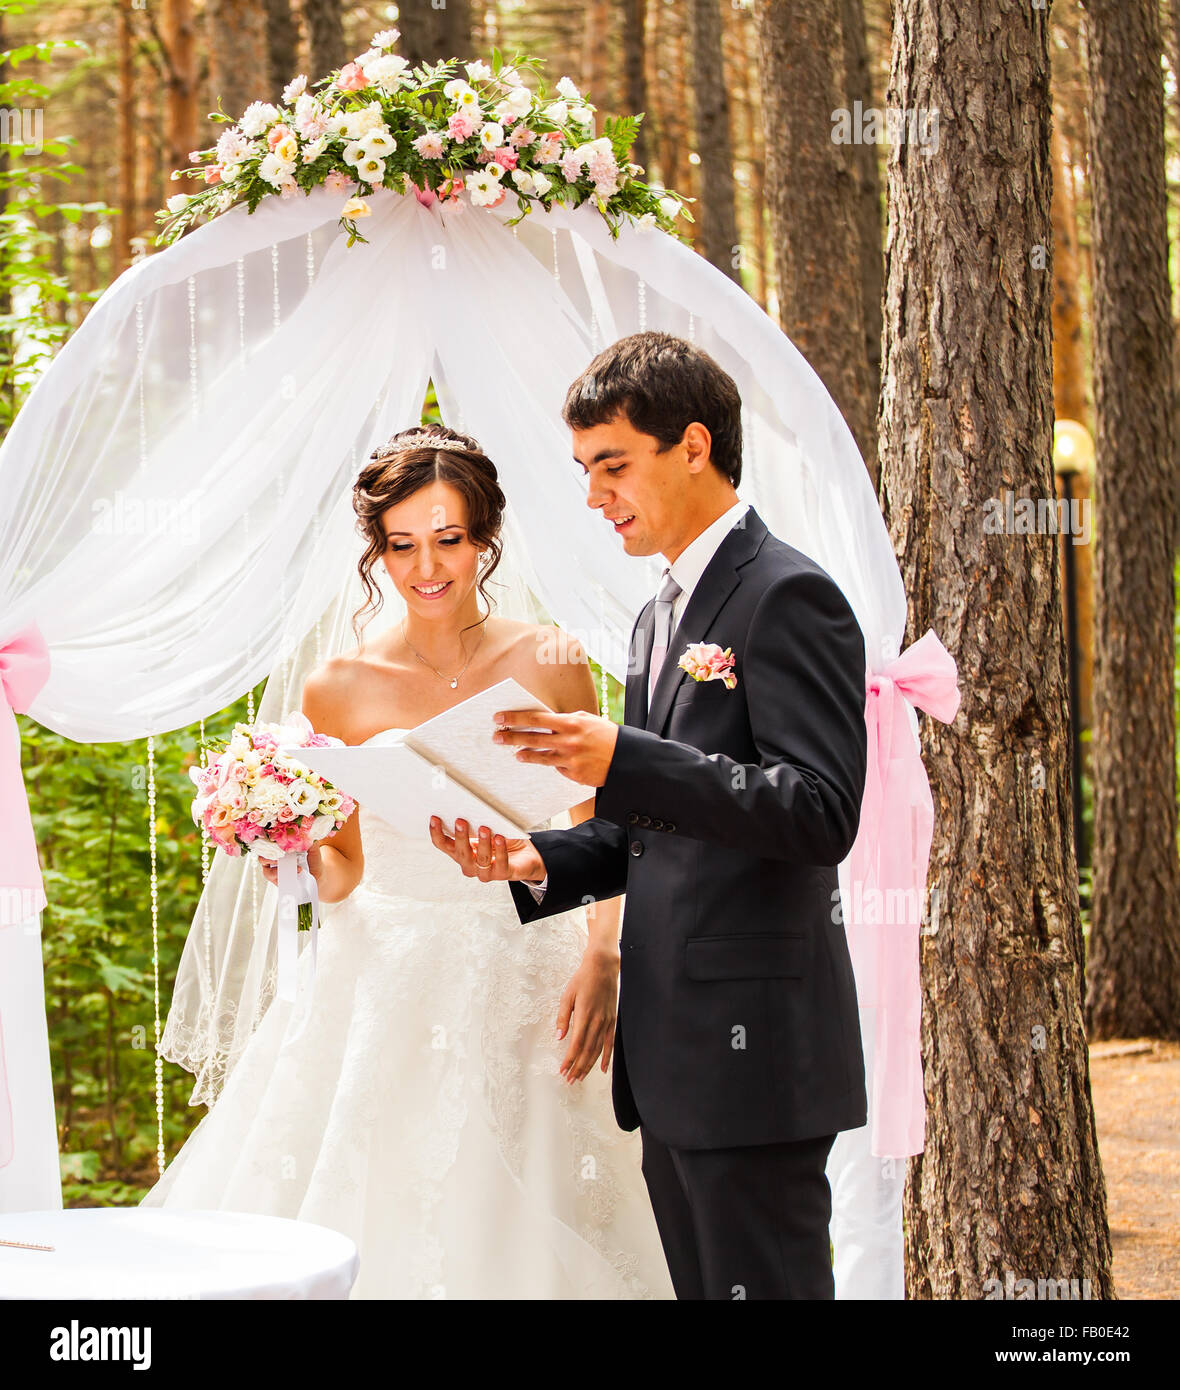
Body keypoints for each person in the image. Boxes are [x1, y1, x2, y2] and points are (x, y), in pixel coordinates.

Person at [140, 423, 674, 1300]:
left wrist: (604, 954)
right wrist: (293, 855)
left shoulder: (550, 659)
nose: (427, 567)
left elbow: (608, 831)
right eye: (401, 545)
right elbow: (346, 870)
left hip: (533, 963)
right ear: (376, 550)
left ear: (486, 540)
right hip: (381, 972)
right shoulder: (337, 686)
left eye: (449, 540)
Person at [430, 332, 870, 1300]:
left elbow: (819, 810)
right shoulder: (657, 614)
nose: (595, 496)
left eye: (613, 465)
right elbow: (658, 826)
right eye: (586, 470)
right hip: (671, 1049)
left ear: (695, 446)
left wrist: (626, 755)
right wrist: (532, 858)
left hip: (755, 1046)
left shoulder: (787, 593)